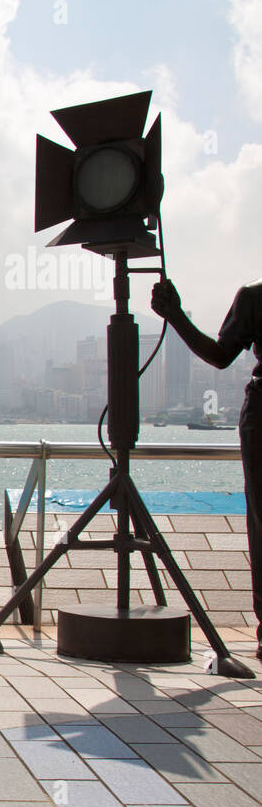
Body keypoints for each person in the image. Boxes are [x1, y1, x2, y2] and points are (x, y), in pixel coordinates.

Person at [152, 277, 262, 659]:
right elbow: (220, 356)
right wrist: (176, 316)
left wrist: (175, 316)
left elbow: (220, 355)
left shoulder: (254, 296)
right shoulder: (254, 296)